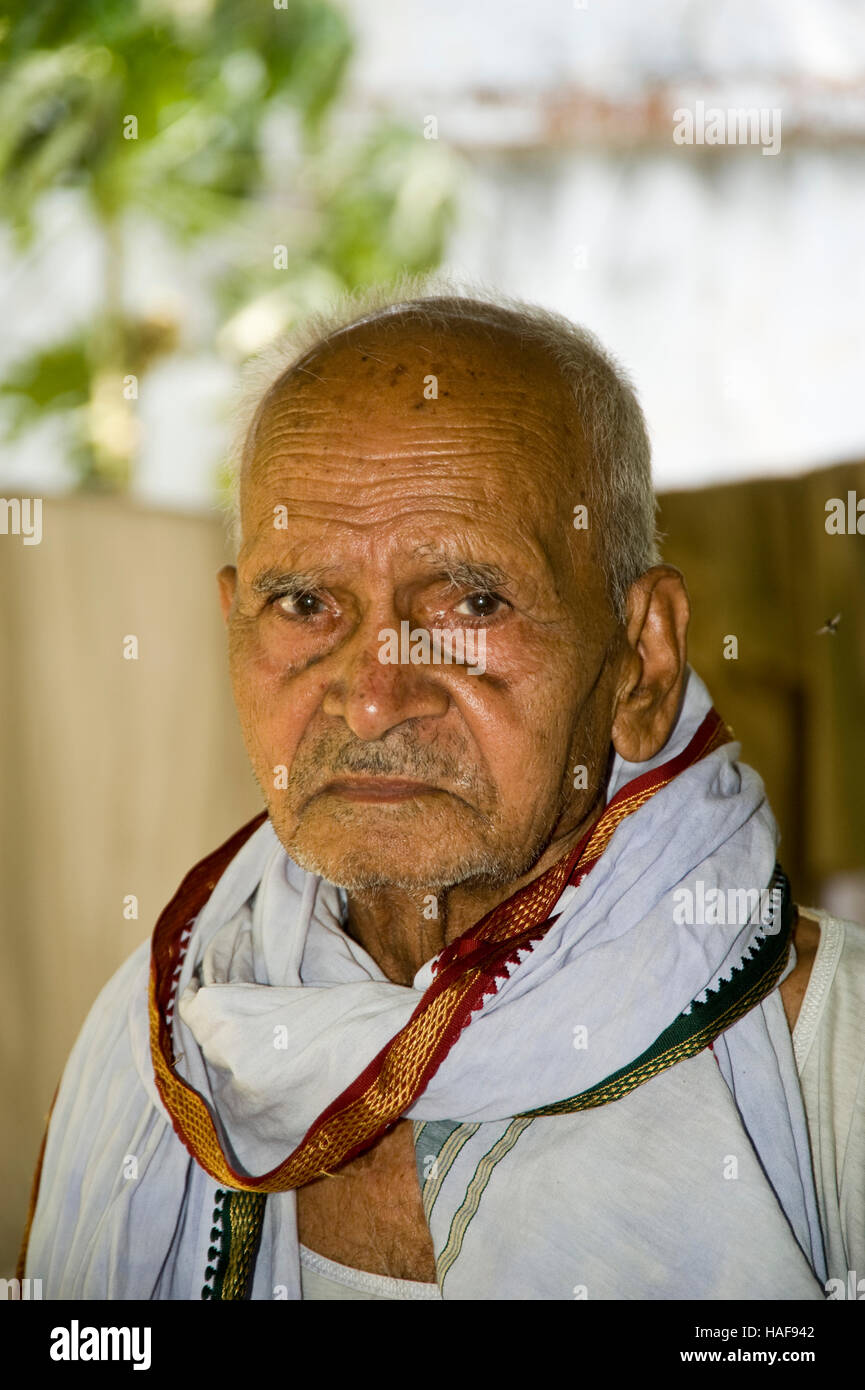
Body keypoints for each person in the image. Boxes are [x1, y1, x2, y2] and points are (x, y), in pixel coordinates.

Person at [19, 283, 865, 1299]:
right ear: (232, 626)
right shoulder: (163, 1037)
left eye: (472, 600)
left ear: (641, 659)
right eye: (302, 602)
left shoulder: (830, 1058)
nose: (372, 699)